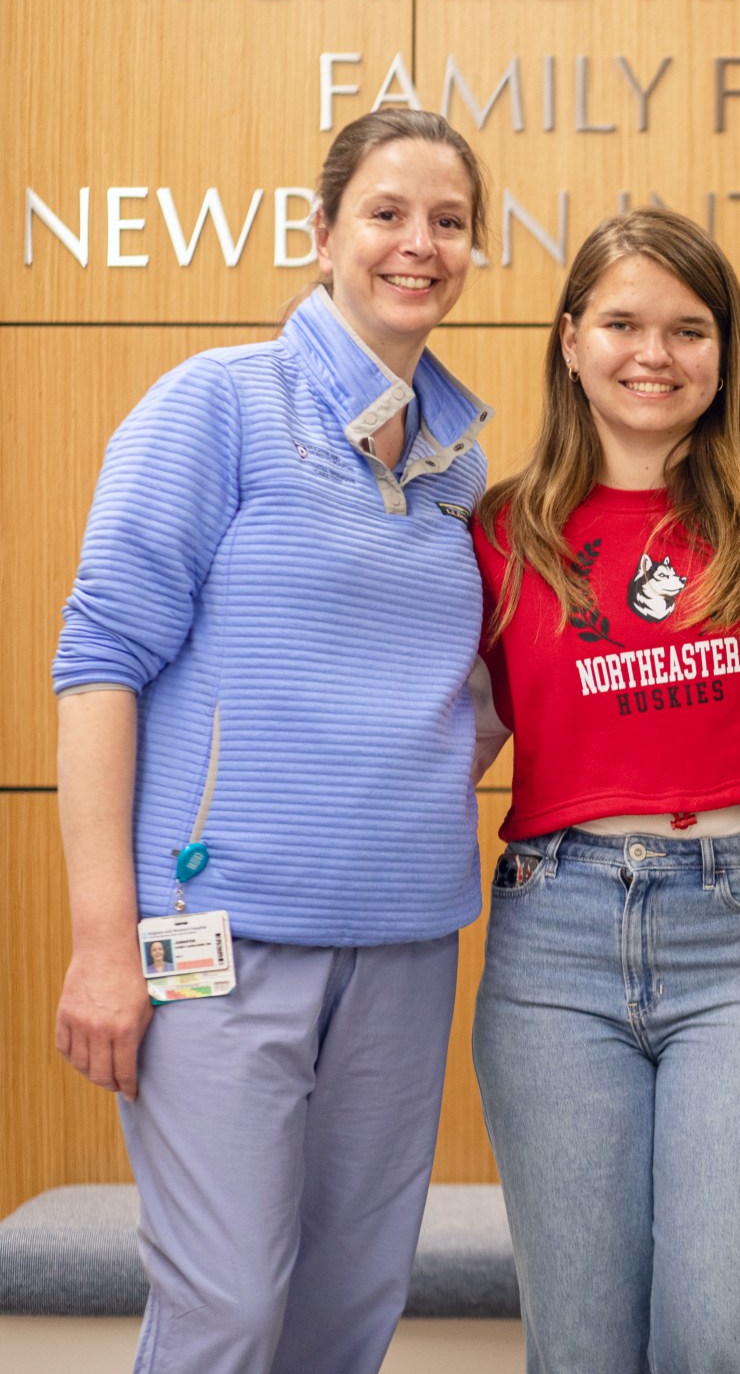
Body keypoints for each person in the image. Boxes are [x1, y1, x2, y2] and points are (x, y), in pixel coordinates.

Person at [51, 109, 493, 1374]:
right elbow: (97, 670)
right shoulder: (216, 406)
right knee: (229, 1307)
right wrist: (102, 946)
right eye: (388, 214)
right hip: (214, 945)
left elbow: (441, 694)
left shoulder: (457, 464)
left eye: (448, 222)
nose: (419, 244)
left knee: (347, 1312)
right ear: (322, 234)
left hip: (404, 945)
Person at [468, 207, 740, 1374]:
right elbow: (423, 736)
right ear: (569, 339)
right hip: (557, 935)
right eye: (623, 323)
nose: (654, 354)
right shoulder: (498, 533)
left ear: (725, 352)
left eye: (690, 328)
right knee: (580, 1345)